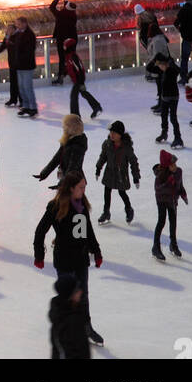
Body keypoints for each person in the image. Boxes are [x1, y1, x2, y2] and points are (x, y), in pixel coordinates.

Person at [33, 172, 104, 346]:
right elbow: (40, 231)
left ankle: (86, 327)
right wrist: (39, 255)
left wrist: (97, 251)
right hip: (64, 259)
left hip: (80, 258)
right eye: (81, 187)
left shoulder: (82, 205)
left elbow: (88, 231)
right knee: (67, 296)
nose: (84, 190)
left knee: (83, 295)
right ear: (71, 188)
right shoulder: (55, 206)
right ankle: (66, 329)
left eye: (84, 187)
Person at [94, 121, 139, 224]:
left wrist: (135, 177)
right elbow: (103, 157)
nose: (112, 135)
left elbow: (133, 162)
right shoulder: (107, 144)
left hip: (121, 174)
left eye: (114, 133)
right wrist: (98, 168)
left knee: (122, 192)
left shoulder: (126, 147)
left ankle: (129, 209)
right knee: (107, 191)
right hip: (109, 172)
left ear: (120, 134)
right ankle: (106, 212)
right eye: (111, 132)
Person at [151, 149, 188, 261]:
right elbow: (158, 189)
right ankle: (156, 247)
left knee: (173, 222)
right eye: (172, 165)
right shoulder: (161, 176)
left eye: (175, 164)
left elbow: (180, 185)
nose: (175, 166)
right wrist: (168, 182)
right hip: (162, 200)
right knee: (161, 221)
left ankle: (173, 244)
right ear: (167, 166)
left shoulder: (178, 172)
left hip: (172, 201)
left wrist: (183, 194)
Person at [34, 114, 87, 186]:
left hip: (74, 182)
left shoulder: (77, 145)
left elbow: (72, 168)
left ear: (71, 127)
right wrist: (44, 173)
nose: (63, 127)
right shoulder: (68, 140)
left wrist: (62, 184)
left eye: (65, 125)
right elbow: (57, 158)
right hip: (66, 180)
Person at [49, 274, 91, 361]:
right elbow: (62, 350)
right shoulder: (67, 320)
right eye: (77, 290)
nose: (80, 291)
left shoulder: (76, 311)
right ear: (69, 296)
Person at [64, 40, 102, 118]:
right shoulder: (69, 56)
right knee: (84, 93)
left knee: (74, 96)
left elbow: (80, 69)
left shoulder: (73, 57)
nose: (64, 48)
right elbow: (70, 69)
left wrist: (80, 81)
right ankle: (96, 107)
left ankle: (75, 115)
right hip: (77, 80)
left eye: (65, 46)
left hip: (78, 80)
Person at [153, 55, 183, 148]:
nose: (159, 67)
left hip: (173, 97)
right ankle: (164, 133)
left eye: (161, 65)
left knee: (173, 118)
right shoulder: (164, 71)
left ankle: (178, 138)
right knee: (164, 116)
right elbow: (150, 68)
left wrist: (170, 62)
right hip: (164, 98)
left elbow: (179, 70)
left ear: (165, 64)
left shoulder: (172, 71)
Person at [49, 0, 78, 83]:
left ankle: (61, 77)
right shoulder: (73, 15)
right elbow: (69, 6)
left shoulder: (60, 14)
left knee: (62, 59)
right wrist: (65, 0)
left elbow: (51, 7)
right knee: (71, 57)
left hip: (62, 40)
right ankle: (74, 76)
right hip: (72, 40)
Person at [14, 15, 39, 116]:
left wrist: (20, 57)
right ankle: (26, 106)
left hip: (27, 65)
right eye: (16, 24)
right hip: (20, 65)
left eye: (19, 24)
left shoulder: (30, 35)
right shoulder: (18, 34)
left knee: (27, 87)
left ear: (24, 24)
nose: (17, 26)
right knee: (21, 87)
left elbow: (29, 50)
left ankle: (33, 107)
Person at [0, 21, 20, 106]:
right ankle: (13, 99)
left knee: (19, 82)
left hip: (19, 62)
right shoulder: (8, 37)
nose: (7, 31)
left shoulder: (18, 36)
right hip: (12, 62)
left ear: (13, 29)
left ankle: (22, 101)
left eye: (8, 29)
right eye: (7, 29)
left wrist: (10, 41)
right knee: (13, 82)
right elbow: (3, 46)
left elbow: (18, 46)